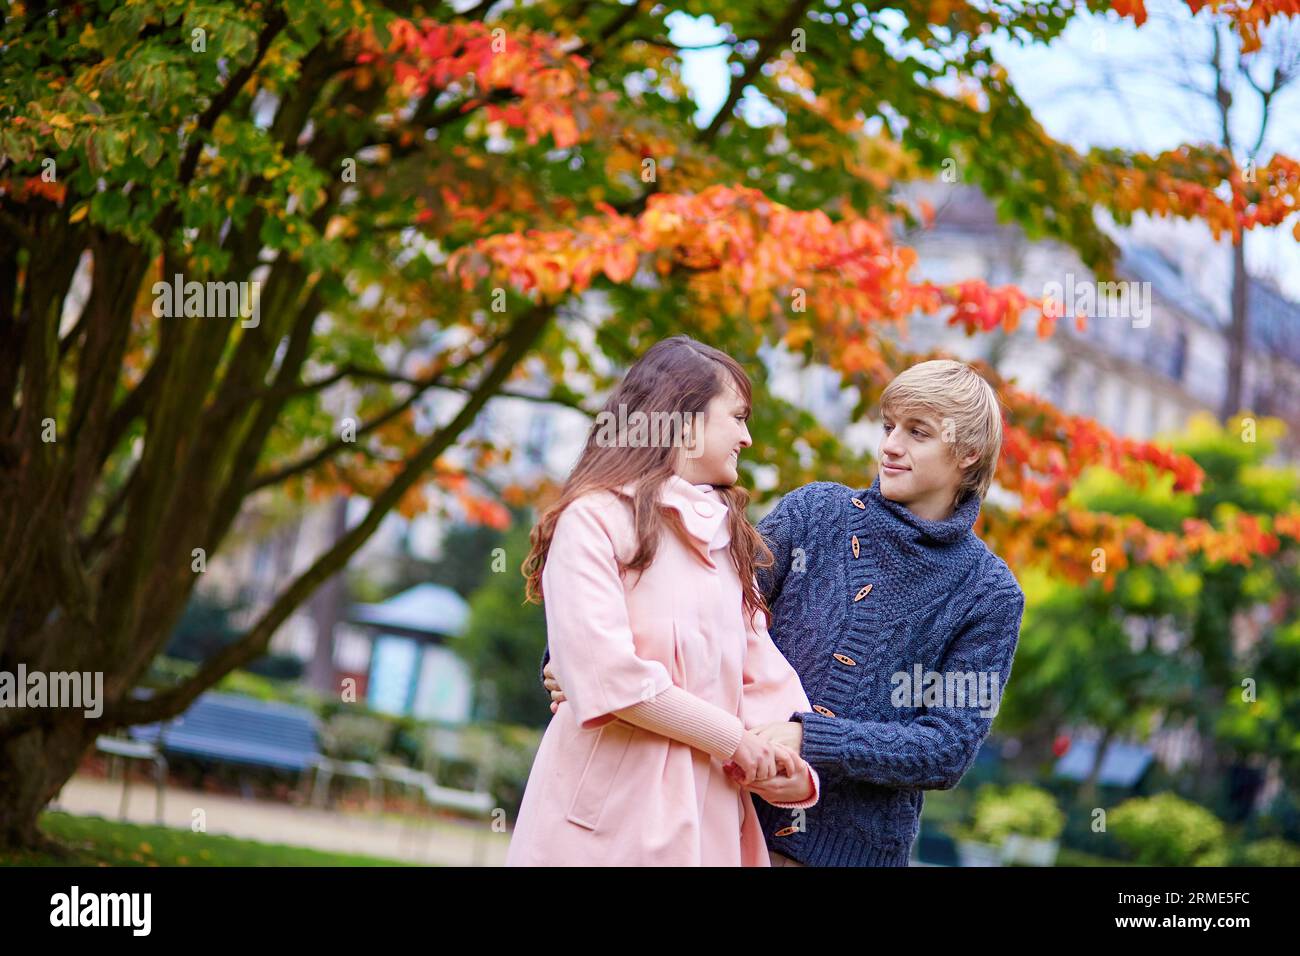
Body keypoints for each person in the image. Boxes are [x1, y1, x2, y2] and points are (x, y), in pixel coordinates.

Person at [545, 359, 1026, 866]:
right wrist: (570, 657)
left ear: (968, 454)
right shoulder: (814, 512)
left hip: (851, 853)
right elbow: (691, 601)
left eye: (917, 433)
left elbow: (946, 748)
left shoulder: (989, 593)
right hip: (723, 823)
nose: (890, 445)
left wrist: (810, 736)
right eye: (888, 427)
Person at [506, 336, 819, 867]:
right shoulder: (593, 520)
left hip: (711, 827)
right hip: (600, 829)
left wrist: (786, 765)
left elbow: (762, 675)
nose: (746, 437)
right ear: (685, 419)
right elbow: (607, 676)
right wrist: (733, 740)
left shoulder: (726, 539)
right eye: (737, 417)